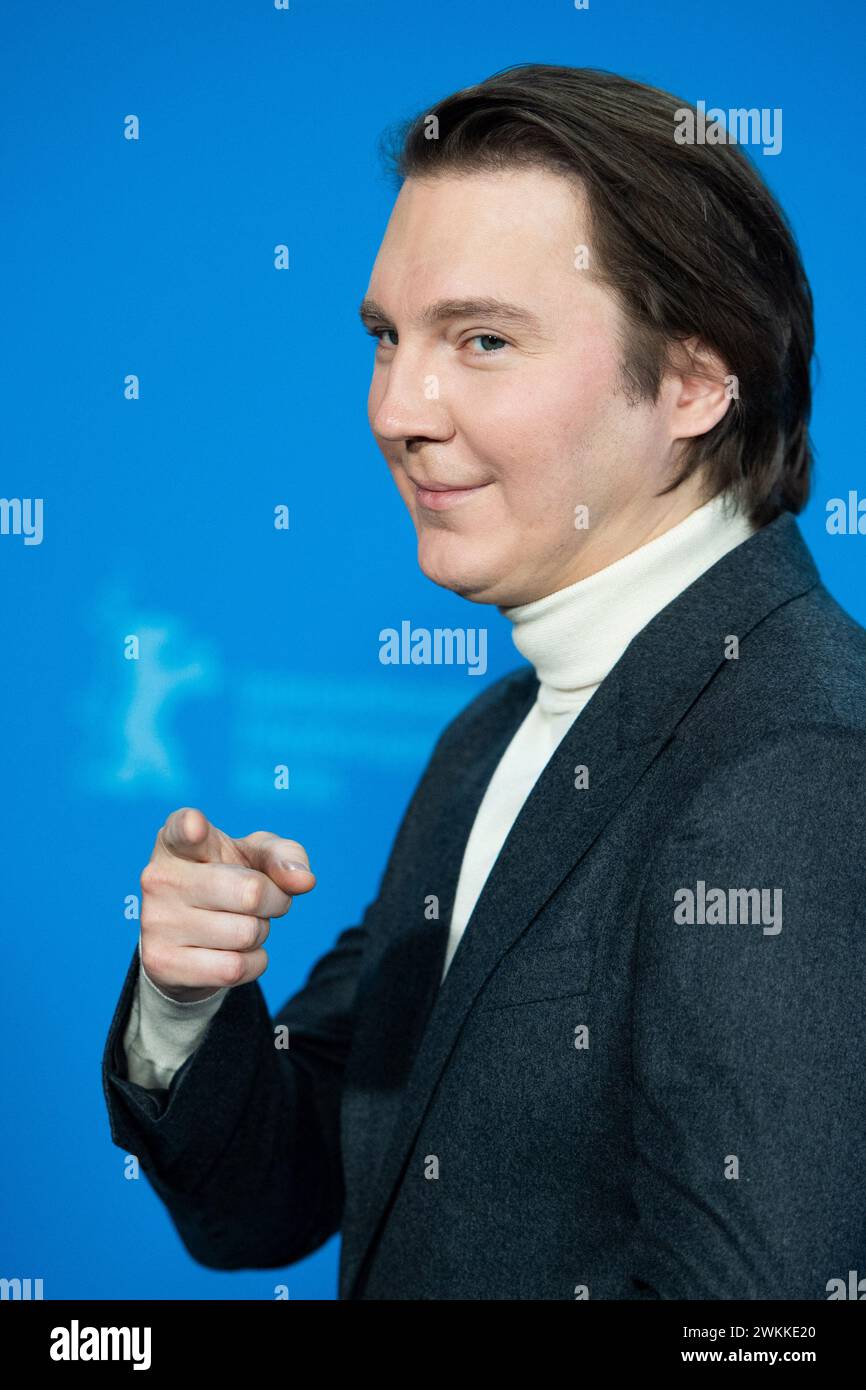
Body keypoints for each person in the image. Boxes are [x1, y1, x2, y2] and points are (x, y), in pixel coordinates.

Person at [102, 64, 866, 1300]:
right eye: (386, 340)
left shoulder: (795, 766)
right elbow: (284, 1186)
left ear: (693, 379)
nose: (397, 407)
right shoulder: (490, 734)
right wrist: (187, 1006)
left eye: (483, 341)